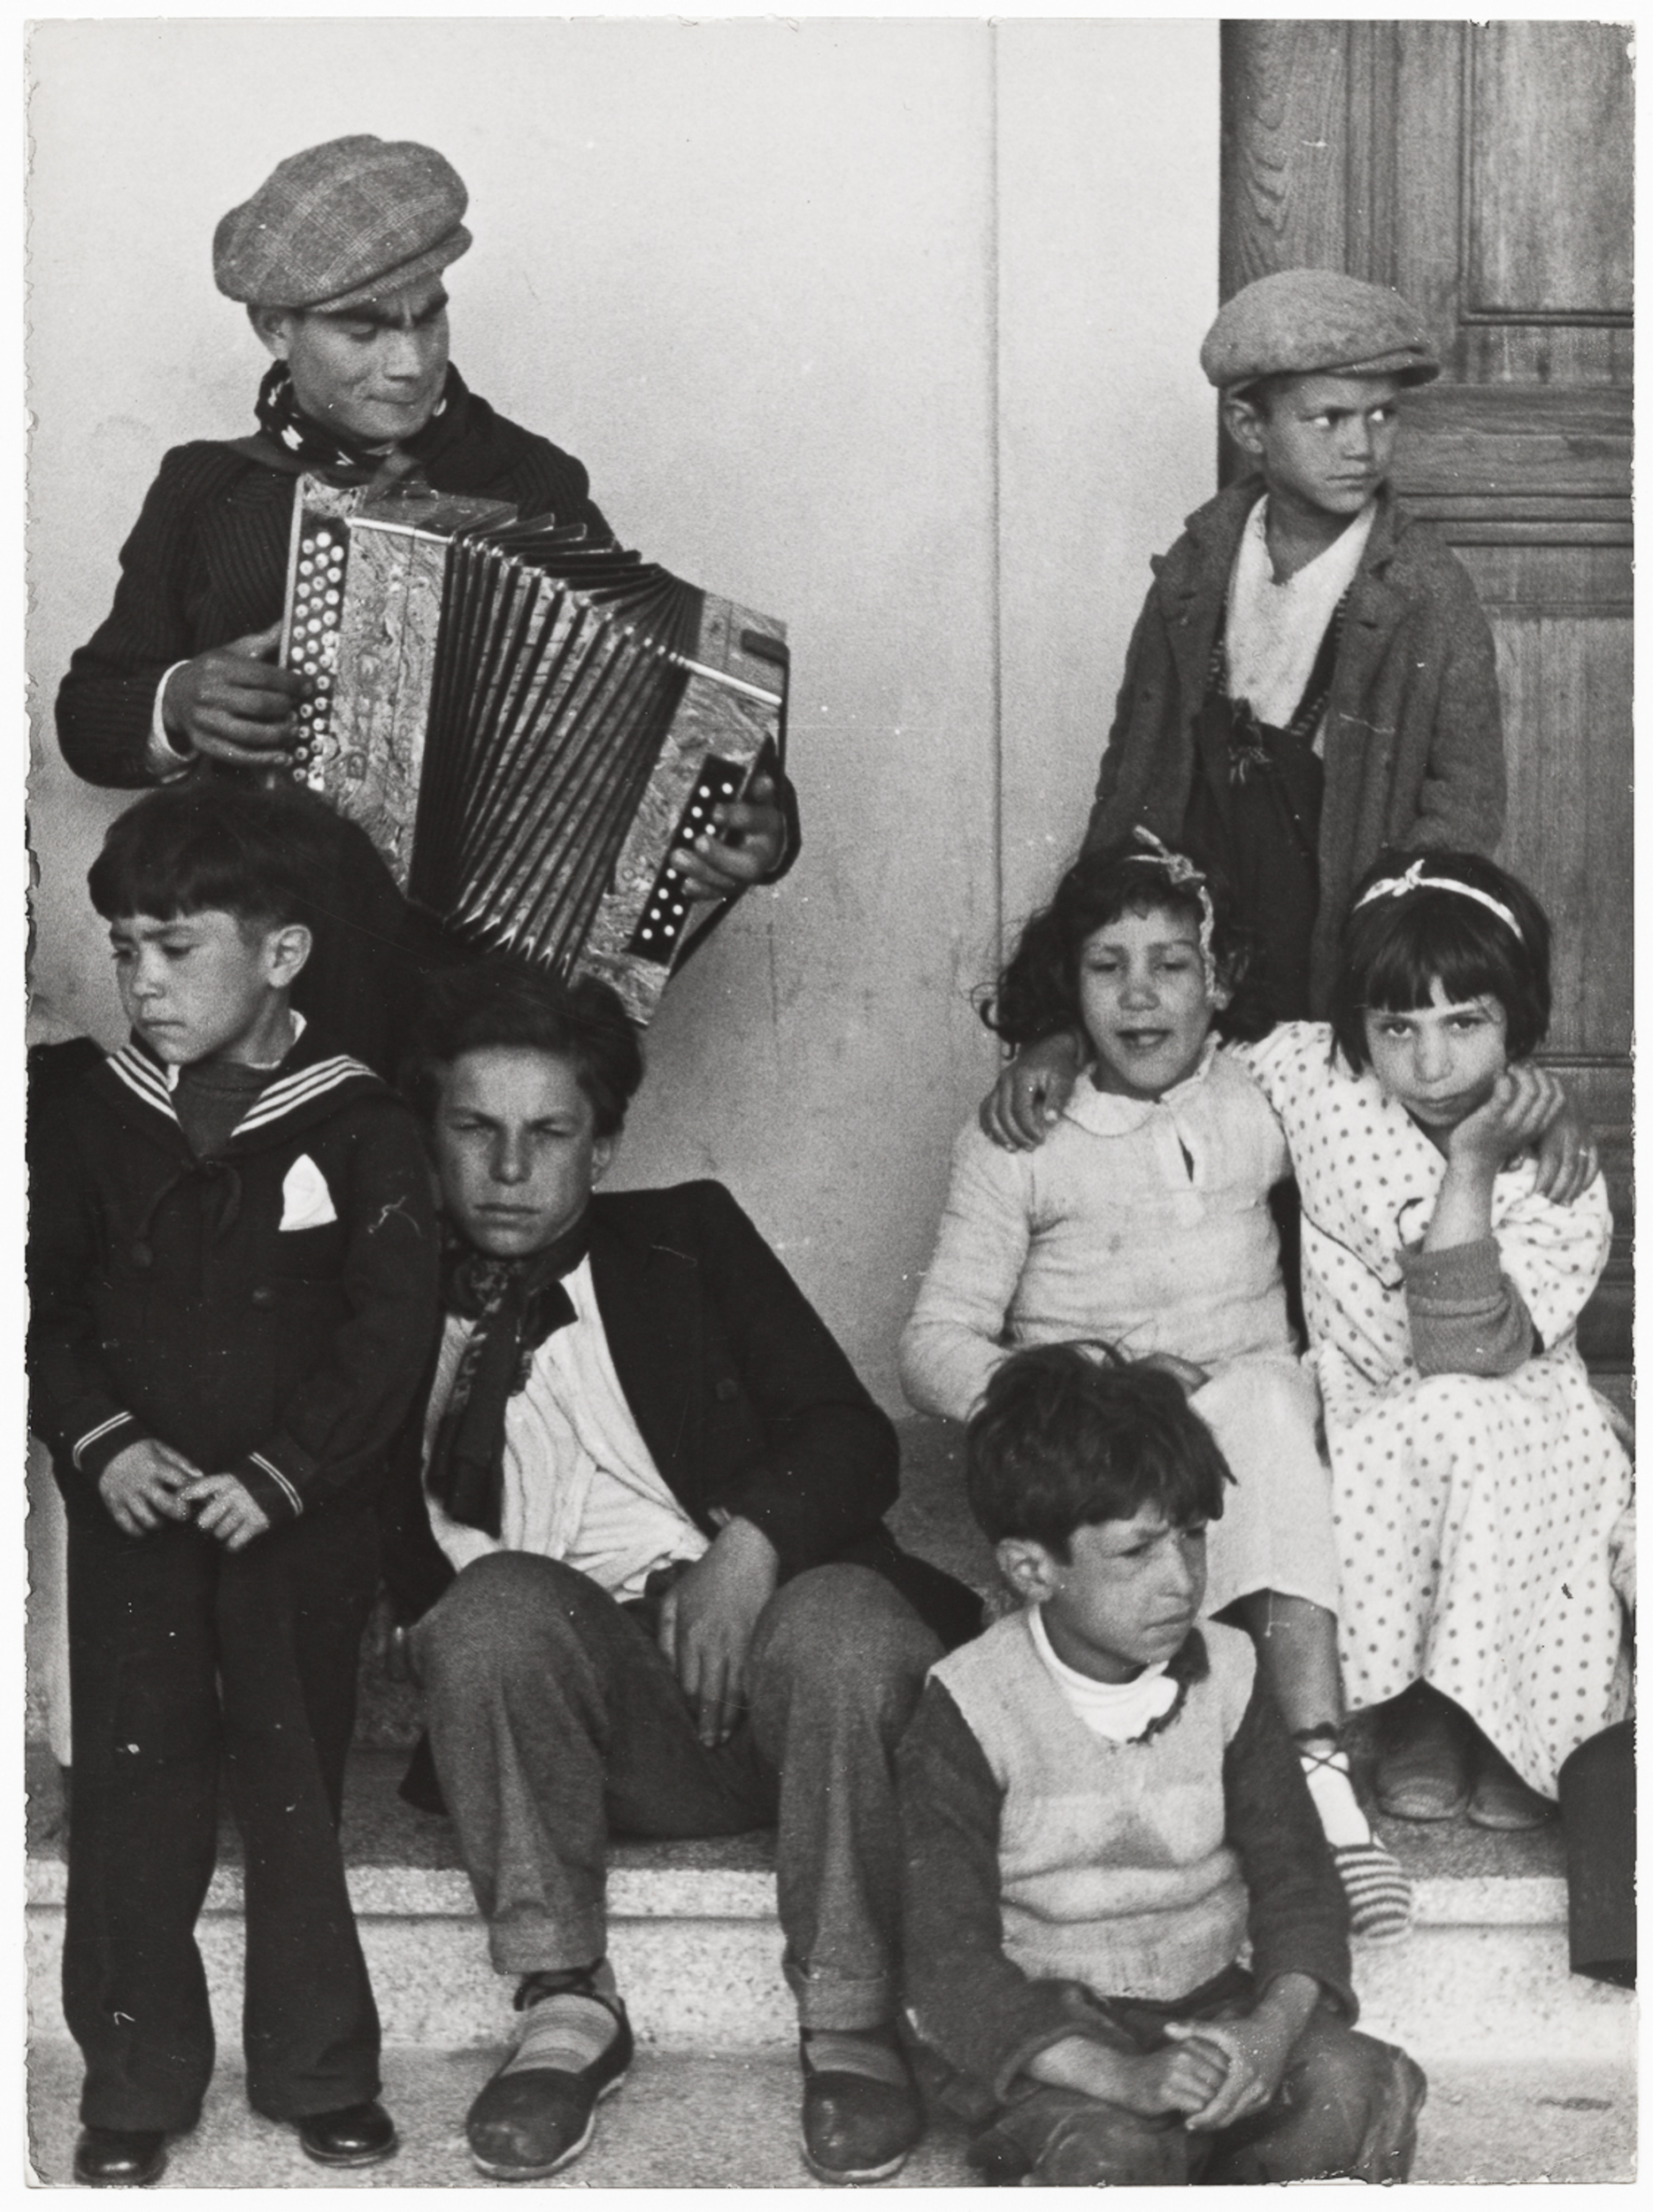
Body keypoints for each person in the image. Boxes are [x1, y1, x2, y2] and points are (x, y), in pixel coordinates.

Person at [377, 959, 982, 2185]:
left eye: (550, 1134)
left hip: (784, 1699)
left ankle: (850, 2020)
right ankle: (565, 2005)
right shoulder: (379, 1300)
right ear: (429, 1139)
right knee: (492, 1605)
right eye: (475, 1130)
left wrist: (746, 1550)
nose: (509, 1168)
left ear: (603, 1146)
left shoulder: (685, 1241)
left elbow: (849, 1435)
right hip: (571, 1729)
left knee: (848, 1620)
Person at [54, 134, 796, 1073]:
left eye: (429, 318)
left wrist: (758, 828)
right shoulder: (208, 491)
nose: (409, 362)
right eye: (364, 331)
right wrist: (178, 700)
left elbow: (657, 699)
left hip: (474, 987)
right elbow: (88, 717)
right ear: (276, 329)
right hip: (263, 980)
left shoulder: (528, 478)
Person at [27, 782, 441, 2187]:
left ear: (281, 956)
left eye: (175, 946)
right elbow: (42, 1304)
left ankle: (319, 2067)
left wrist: (287, 1471)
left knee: (294, 1787)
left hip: (293, 1519)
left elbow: (391, 1331)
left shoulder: (365, 1125)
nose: (141, 980)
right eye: (123, 947)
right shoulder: (84, 1117)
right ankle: (133, 2080)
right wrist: (101, 1440)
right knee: (132, 1791)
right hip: (138, 1509)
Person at [901, 833, 1411, 1943]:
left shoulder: (1263, 1090)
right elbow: (932, 1344)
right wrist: (1097, 1380)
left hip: (1253, 1412)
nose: (1138, 993)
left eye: (1170, 964)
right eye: (1105, 966)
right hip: (1102, 1445)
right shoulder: (1021, 1138)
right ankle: (1292, 1773)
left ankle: (1313, 1775)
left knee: (1268, 1408)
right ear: (1068, 986)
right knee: (1241, 1435)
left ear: (1218, 981)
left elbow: (1410, 1100)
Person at [986, 265, 1516, 1147]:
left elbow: (1462, 812)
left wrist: (1383, 978)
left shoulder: (1428, 593)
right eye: (1327, 419)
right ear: (1247, 426)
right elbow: (1128, 789)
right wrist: (1065, 1023)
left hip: (1341, 959)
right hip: (1199, 954)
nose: (1361, 445)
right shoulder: (1192, 572)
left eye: (1381, 416)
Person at [896, 1344, 1427, 2187]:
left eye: (1192, 1537)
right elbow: (947, 1965)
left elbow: (1298, 1881)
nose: (1181, 1581)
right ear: (1032, 1569)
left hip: (1212, 2004)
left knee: (1356, 2086)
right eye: (1137, 1552)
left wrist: (1267, 2035)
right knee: (1112, 2154)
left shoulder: (1233, 1673)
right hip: (1056, 2038)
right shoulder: (969, 1706)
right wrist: (1122, 2077)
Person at [1237, 852, 1632, 1829]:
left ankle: (1500, 1722)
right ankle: (1419, 1707)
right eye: (1396, 1028)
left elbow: (1463, 1353)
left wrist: (1474, 1164)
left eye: (1465, 1024)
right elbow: (1182, 1049)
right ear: (1357, 1028)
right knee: (1388, 1441)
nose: (1428, 1065)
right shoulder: (1317, 1075)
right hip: (1366, 1410)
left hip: (1517, 1417)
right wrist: (1054, 1048)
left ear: (1518, 1027)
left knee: (1459, 1415)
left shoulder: (1555, 1179)